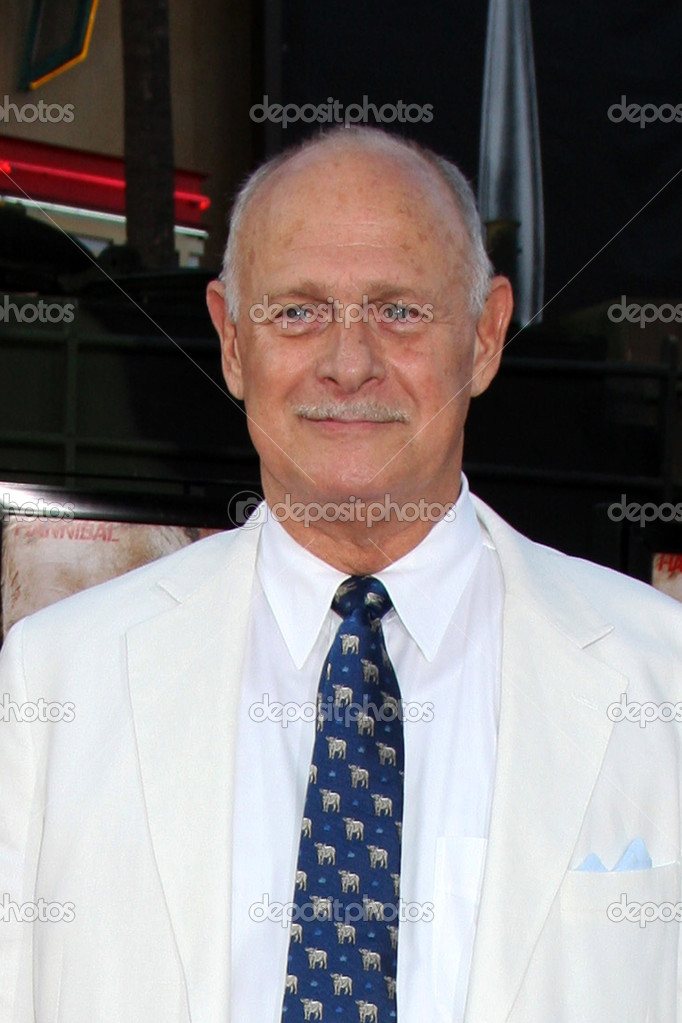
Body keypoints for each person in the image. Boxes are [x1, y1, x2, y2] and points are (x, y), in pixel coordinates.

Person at [1, 126, 680, 1023]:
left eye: (399, 310)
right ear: (232, 344)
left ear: (483, 336)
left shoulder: (661, 674)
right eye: (297, 311)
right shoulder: (56, 678)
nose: (349, 362)